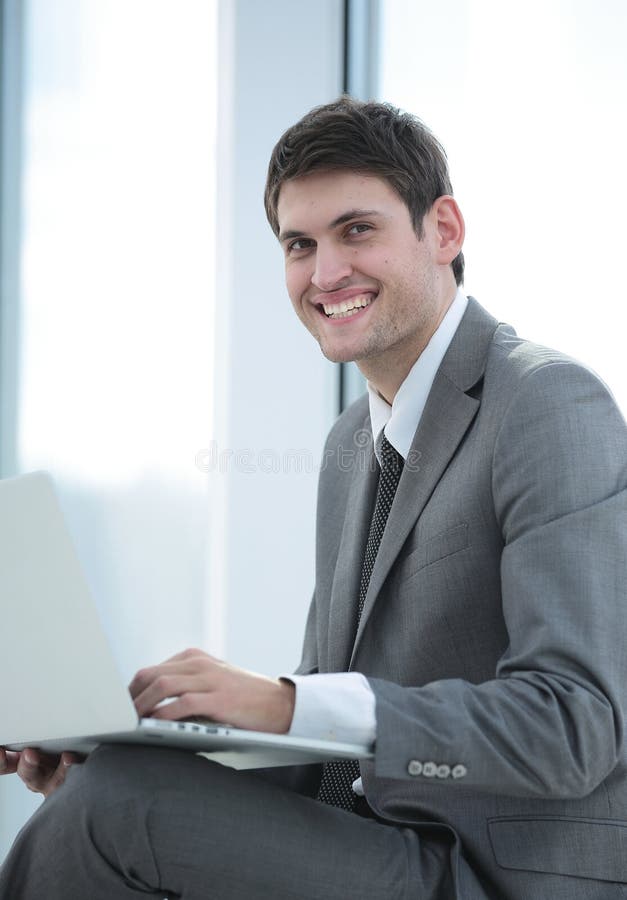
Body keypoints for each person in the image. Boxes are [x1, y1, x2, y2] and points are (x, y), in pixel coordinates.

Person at [1, 97, 626, 900]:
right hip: (379, 845)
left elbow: (575, 727)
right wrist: (131, 752)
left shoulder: (544, 404)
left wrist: (284, 701)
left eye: (356, 230)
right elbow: (328, 742)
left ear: (443, 230)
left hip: (497, 873)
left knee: (120, 809)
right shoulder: (347, 448)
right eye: (300, 244)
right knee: (116, 786)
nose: (325, 274)